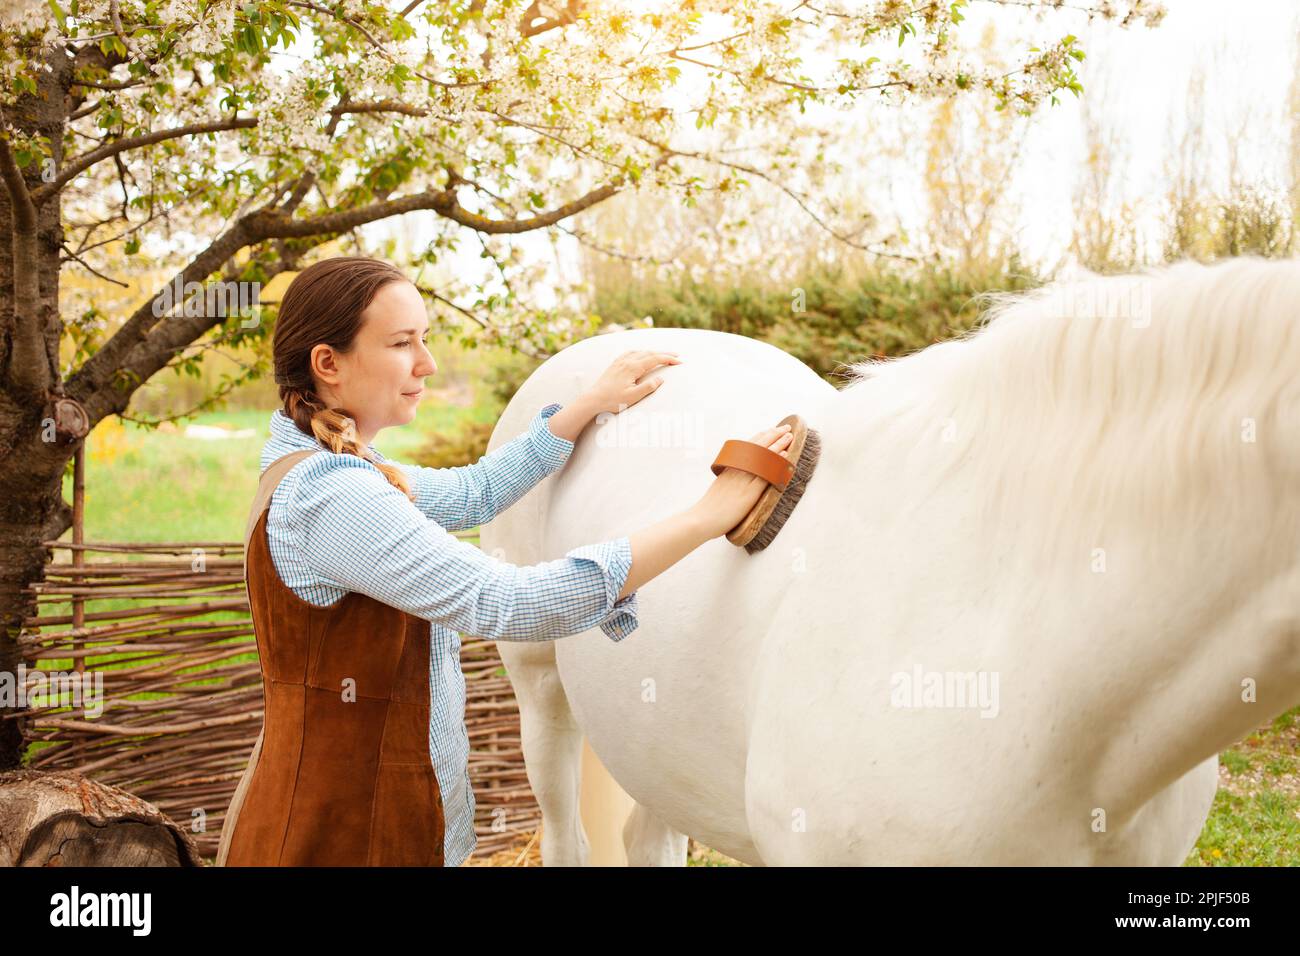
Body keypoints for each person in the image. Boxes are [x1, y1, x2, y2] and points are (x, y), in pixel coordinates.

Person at [218, 256, 795, 867]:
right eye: (400, 343)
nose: (427, 363)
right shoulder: (334, 494)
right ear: (327, 363)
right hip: (340, 842)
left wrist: (582, 409)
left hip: (348, 826)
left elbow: (473, 493)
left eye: (426, 338)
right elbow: (508, 602)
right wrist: (707, 517)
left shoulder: (333, 465)